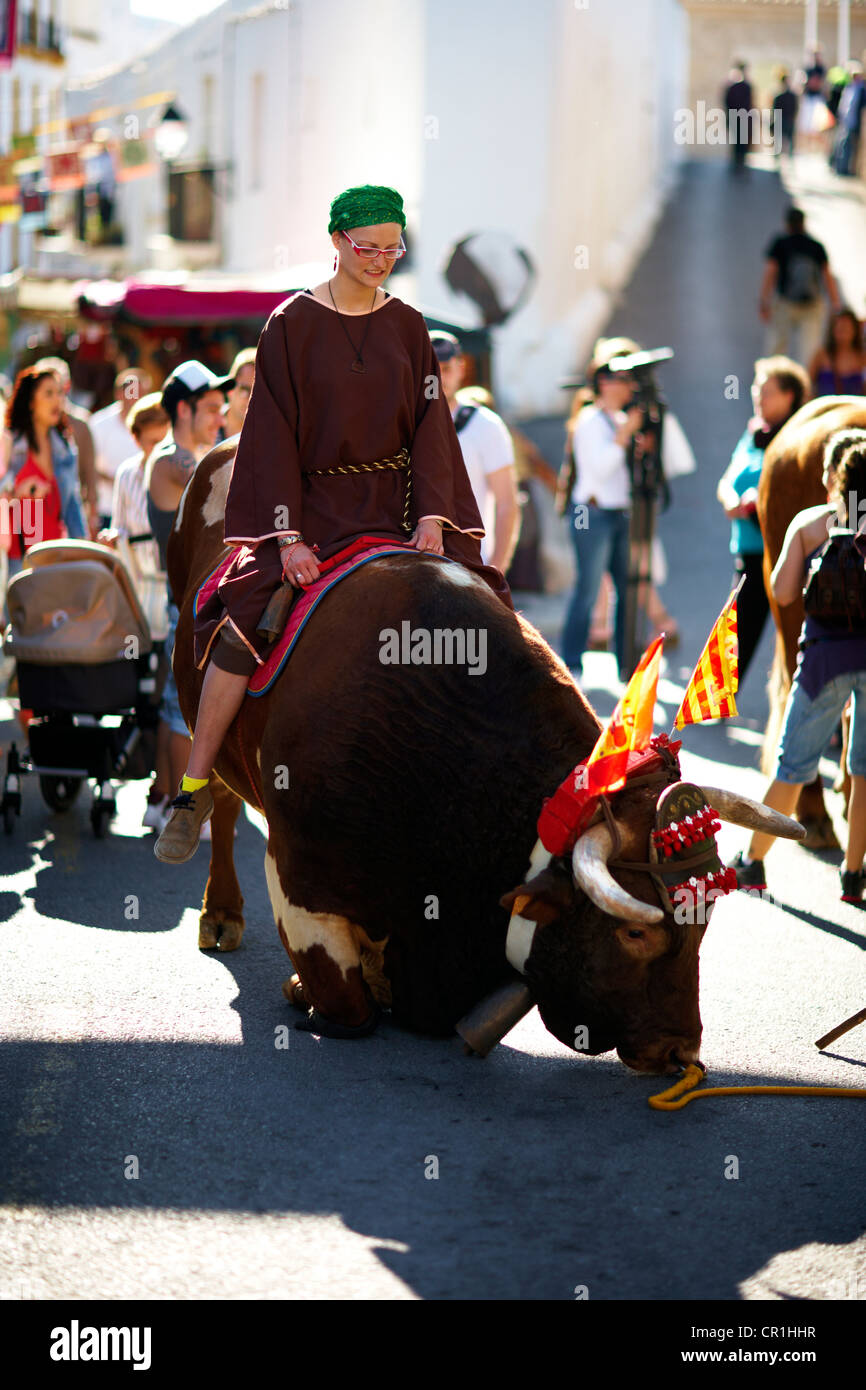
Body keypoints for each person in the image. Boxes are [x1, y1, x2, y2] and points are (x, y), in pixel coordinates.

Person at [155, 183, 512, 864]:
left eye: (392, 247)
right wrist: (286, 537)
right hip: (310, 510)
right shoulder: (290, 323)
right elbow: (273, 433)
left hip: (393, 511)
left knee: (479, 607)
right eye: (368, 247)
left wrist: (435, 518)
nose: (381, 259)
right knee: (241, 613)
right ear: (337, 242)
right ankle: (196, 783)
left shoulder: (408, 323)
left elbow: (430, 423)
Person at [729, 435, 866, 901]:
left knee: (793, 765)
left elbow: (783, 593)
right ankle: (853, 874)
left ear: (830, 477)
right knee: (863, 768)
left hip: (825, 660)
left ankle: (753, 862)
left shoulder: (813, 523)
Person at [147, 361, 233, 838]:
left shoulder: (184, 456)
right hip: (181, 599)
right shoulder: (174, 461)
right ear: (183, 408)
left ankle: (160, 799)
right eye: (211, 407)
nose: (219, 416)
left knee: (170, 705)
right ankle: (183, 805)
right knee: (184, 709)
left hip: (182, 597)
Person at [717, 356, 810, 684]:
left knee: (796, 633)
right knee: (736, 633)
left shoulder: (800, 437)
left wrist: (765, 500)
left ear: (789, 396)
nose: (758, 396)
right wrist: (731, 499)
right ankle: (720, 703)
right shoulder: (753, 432)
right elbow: (728, 478)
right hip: (750, 550)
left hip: (784, 551)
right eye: (757, 388)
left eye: (767, 390)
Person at [559, 358, 643, 682]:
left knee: (627, 587)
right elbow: (599, 470)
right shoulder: (590, 421)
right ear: (605, 384)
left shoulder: (617, 419)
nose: (629, 388)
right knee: (588, 588)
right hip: (590, 513)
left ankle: (626, 663)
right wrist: (623, 436)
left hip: (619, 511)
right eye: (623, 380)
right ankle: (571, 663)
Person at [430, 331, 520, 574]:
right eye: (431, 369)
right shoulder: (404, 423)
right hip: (416, 564)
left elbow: (507, 504)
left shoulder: (486, 425)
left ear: (461, 368)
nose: (439, 377)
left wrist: (496, 570)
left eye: (446, 368)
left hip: (471, 565)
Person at [0, 367, 87, 573]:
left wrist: (84, 550)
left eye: (60, 393)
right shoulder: (10, 442)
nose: (57, 400)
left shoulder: (65, 448)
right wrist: (17, 489)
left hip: (56, 553)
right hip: (19, 558)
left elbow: (72, 504)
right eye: (49, 393)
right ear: (31, 402)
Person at [760, 207, 841, 366]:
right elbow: (827, 276)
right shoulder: (816, 246)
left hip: (785, 302)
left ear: (787, 224)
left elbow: (770, 272)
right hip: (812, 304)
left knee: (776, 346)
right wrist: (835, 303)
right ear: (804, 224)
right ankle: (806, 383)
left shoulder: (780, 244)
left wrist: (764, 301)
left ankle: (772, 379)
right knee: (809, 349)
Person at [34, 355, 98, 536]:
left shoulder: (79, 425)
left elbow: (89, 474)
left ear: (66, 386)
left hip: (70, 519)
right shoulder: (24, 431)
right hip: (35, 520)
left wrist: (92, 513)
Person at [90, 368, 152, 529]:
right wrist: (116, 479)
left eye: (140, 393)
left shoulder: (153, 425)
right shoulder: (98, 424)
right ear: (118, 394)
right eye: (131, 392)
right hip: (107, 509)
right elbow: (88, 466)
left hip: (141, 513)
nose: (135, 397)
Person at [808, 309, 866, 397]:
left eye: (846, 328)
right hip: (825, 408)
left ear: (855, 330)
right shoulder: (821, 355)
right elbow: (807, 384)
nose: (842, 332)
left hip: (854, 409)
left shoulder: (862, 358)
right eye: (839, 328)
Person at [832, 64, 866, 176]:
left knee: (849, 146)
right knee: (843, 145)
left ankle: (847, 169)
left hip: (854, 123)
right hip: (845, 122)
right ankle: (840, 168)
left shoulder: (861, 89)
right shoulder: (849, 88)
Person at [219, 349, 256, 441]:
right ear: (230, 390)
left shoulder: (269, 439)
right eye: (245, 389)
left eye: (257, 392)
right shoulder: (204, 429)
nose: (251, 398)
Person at [724, 62, 753, 170]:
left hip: (737, 118)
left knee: (738, 142)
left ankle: (738, 162)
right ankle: (739, 162)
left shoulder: (733, 86)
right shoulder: (743, 86)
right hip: (740, 118)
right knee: (740, 142)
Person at [772, 72, 798, 159]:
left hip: (786, 120)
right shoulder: (782, 96)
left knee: (786, 140)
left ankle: (786, 156)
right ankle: (781, 156)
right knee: (782, 140)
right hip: (784, 120)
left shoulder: (781, 96)